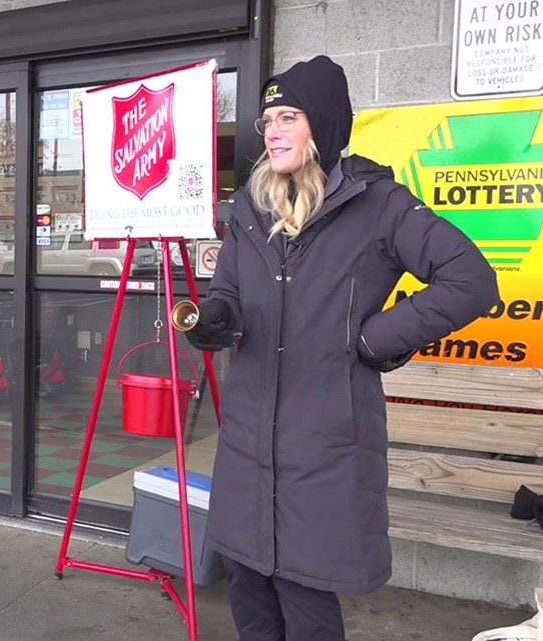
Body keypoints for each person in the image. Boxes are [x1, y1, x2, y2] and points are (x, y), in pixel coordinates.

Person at [182, 56, 498, 640]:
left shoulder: (378, 204)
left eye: (289, 116)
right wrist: (212, 321)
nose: (273, 130)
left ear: (322, 126)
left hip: (324, 442)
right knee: (248, 588)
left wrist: (373, 338)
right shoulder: (250, 209)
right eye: (267, 119)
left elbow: (471, 280)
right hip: (248, 440)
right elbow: (227, 291)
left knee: (303, 594)